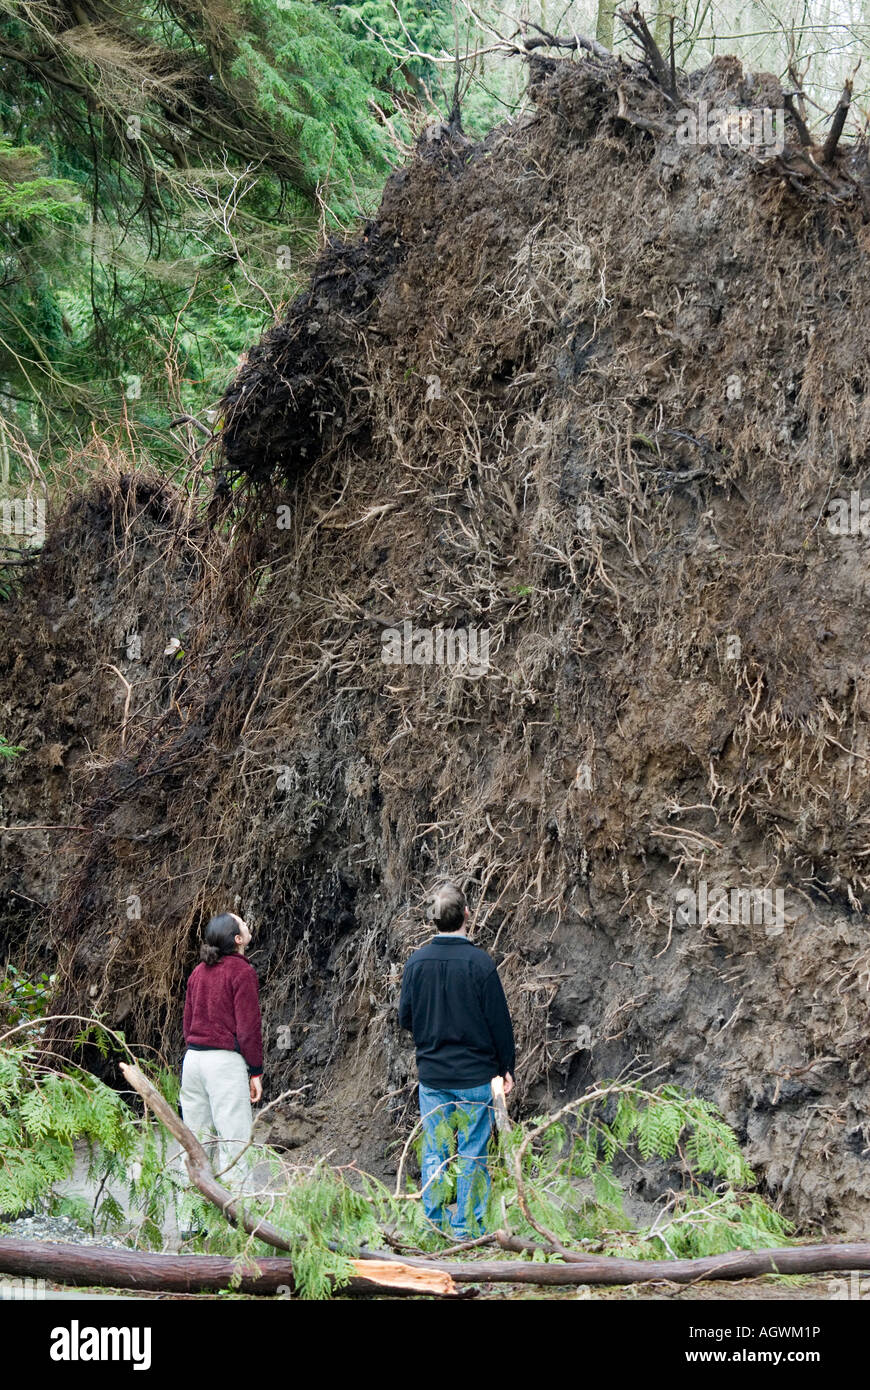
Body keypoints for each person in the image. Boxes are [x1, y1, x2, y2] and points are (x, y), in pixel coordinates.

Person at [398, 882, 515, 1239]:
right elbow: (499, 1022)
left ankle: (432, 1224)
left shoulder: (416, 963)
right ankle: (468, 1227)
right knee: (473, 1153)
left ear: (432, 920)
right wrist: (506, 1066)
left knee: (434, 1150)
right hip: (476, 1078)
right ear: (467, 914)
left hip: (433, 1075)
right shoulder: (480, 963)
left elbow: (405, 1018)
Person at [180, 911, 263, 1195]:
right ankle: (238, 1214)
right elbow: (248, 1028)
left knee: (195, 1140)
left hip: (192, 1061)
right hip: (223, 1063)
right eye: (242, 922)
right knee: (234, 1140)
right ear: (238, 939)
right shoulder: (242, 972)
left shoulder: (197, 972)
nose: (246, 923)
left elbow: (187, 1022)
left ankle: (190, 1217)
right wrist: (255, 1070)